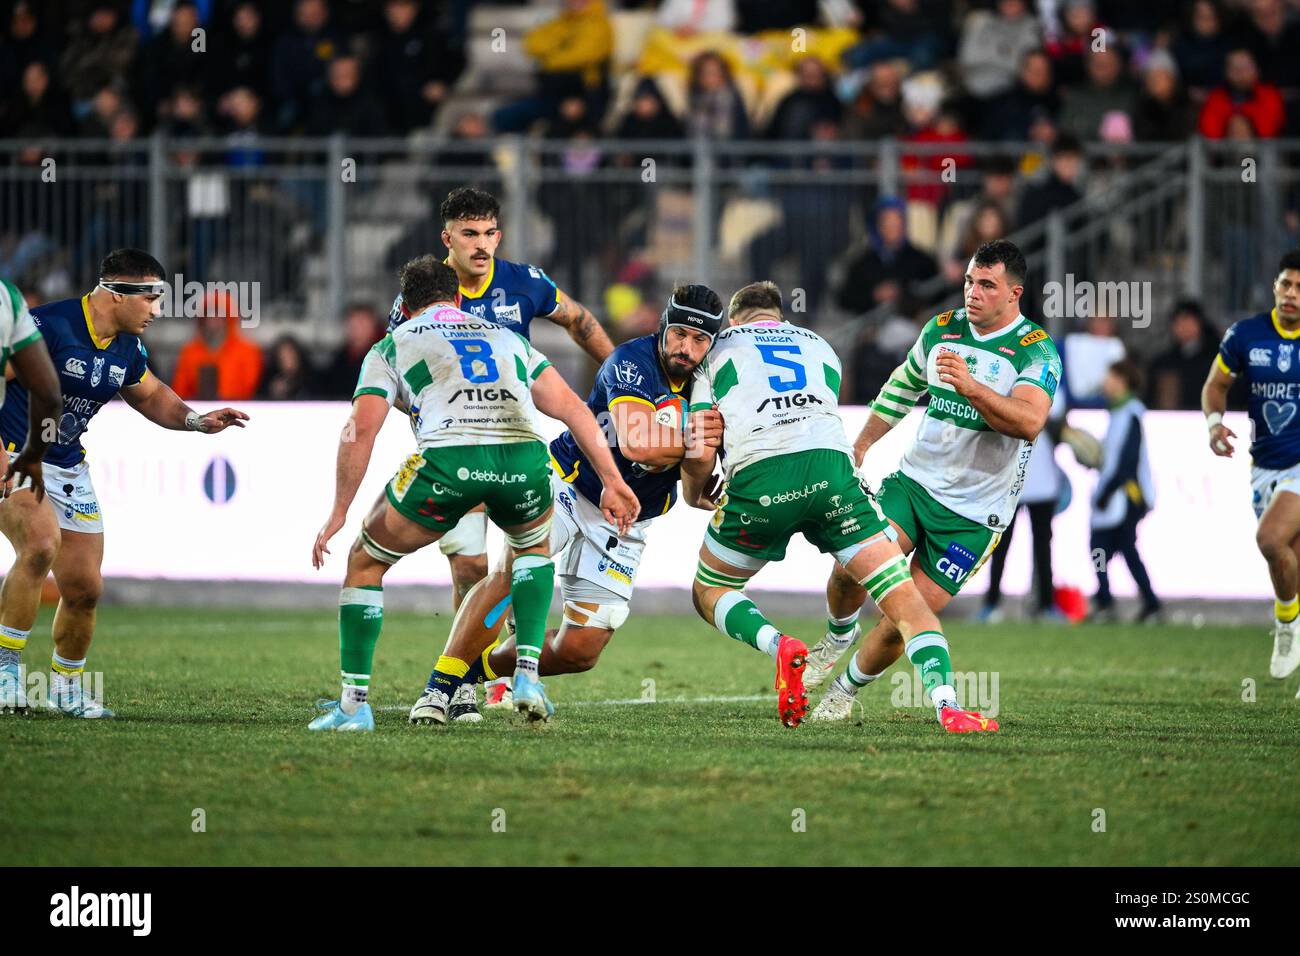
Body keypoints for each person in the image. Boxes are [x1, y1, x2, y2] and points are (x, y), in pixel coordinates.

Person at [308, 258, 639, 731]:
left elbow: (359, 430)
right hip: (524, 461)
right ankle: (526, 676)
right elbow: (573, 410)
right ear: (459, 298)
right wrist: (612, 480)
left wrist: (338, 511)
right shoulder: (509, 339)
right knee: (532, 554)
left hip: (450, 462)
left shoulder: (392, 344)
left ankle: (354, 705)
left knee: (365, 561)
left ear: (405, 305)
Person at [681, 281, 997, 732]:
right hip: (834, 473)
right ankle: (949, 706)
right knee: (906, 600)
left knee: (709, 589)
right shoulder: (820, 346)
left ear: (734, 322)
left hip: (763, 481)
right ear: (782, 319)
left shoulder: (716, 348)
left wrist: (694, 492)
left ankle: (781, 646)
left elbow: (700, 446)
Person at [407, 285, 725, 725]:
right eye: (680, 334)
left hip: (629, 519)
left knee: (581, 651)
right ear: (664, 325)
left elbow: (692, 492)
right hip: (570, 481)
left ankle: (474, 674)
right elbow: (637, 444)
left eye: (699, 340)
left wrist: (702, 470)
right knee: (511, 571)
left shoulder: (711, 384)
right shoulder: (632, 361)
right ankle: (439, 687)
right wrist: (696, 441)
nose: (686, 348)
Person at [806, 241, 1061, 725]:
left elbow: (1029, 422)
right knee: (847, 568)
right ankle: (838, 633)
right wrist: (862, 444)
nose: (973, 292)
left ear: (1014, 294)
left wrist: (971, 387)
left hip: (973, 517)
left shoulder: (1035, 351)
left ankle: (843, 691)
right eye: (969, 281)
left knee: (905, 617)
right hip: (914, 484)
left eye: (987, 285)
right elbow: (903, 386)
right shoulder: (942, 330)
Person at [387, 186, 615, 706]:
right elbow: (393, 372)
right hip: (452, 450)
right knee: (469, 566)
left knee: (515, 565)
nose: (482, 244)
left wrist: (621, 383)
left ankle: (479, 677)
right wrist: (435, 415)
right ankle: (465, 681)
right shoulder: (422, 297)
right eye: (469, 234)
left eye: (490, 232)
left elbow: (580, 321)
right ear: (447, 238)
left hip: (516, 446)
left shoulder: (524, 283)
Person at [0, 249, 249, 718]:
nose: (157, 310)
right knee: (38, 545)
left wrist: (197, 421)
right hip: (17, 456)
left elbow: (151, 395)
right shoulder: (46, 327)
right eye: (151, 298)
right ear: (115, 294)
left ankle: (65, 688)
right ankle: (5, 670)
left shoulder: (127, 347)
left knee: (85, 587)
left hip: (68, 467)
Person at [1203, 249, 1300, 679]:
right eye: (1286, 284)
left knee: (1269, 538)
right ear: (1275, 286)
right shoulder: (1246, 335)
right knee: (1288, 559)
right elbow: (1216, 384)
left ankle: (1285, 624)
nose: (1291, 294)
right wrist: (1214, 424)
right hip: (1263, 466)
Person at [0, 277, 63, 713]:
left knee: (41, 544)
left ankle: (5, 671)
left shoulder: (8, 298)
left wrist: (32, 453)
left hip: (9, 453)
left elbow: (46, 390)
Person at [1089, 359, 1160, 622]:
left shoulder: (1131, 413)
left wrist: (1106, 491)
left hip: (1128, 495)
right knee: (1109, 549)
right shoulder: (1118, 413)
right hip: (1115, 493)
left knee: (1108, 548)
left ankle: (1111, 602)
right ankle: (1126, 601)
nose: (1105, 383)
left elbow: (1128, 460)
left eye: (1110, 377)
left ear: (1122, 381)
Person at [170, 289, 264, 401]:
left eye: (218, 315)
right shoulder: (189, 352)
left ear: (228, 319)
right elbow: (179, 391)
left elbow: (248, 389)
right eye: (209, 315)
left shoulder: (248, 351)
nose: (212, 321)